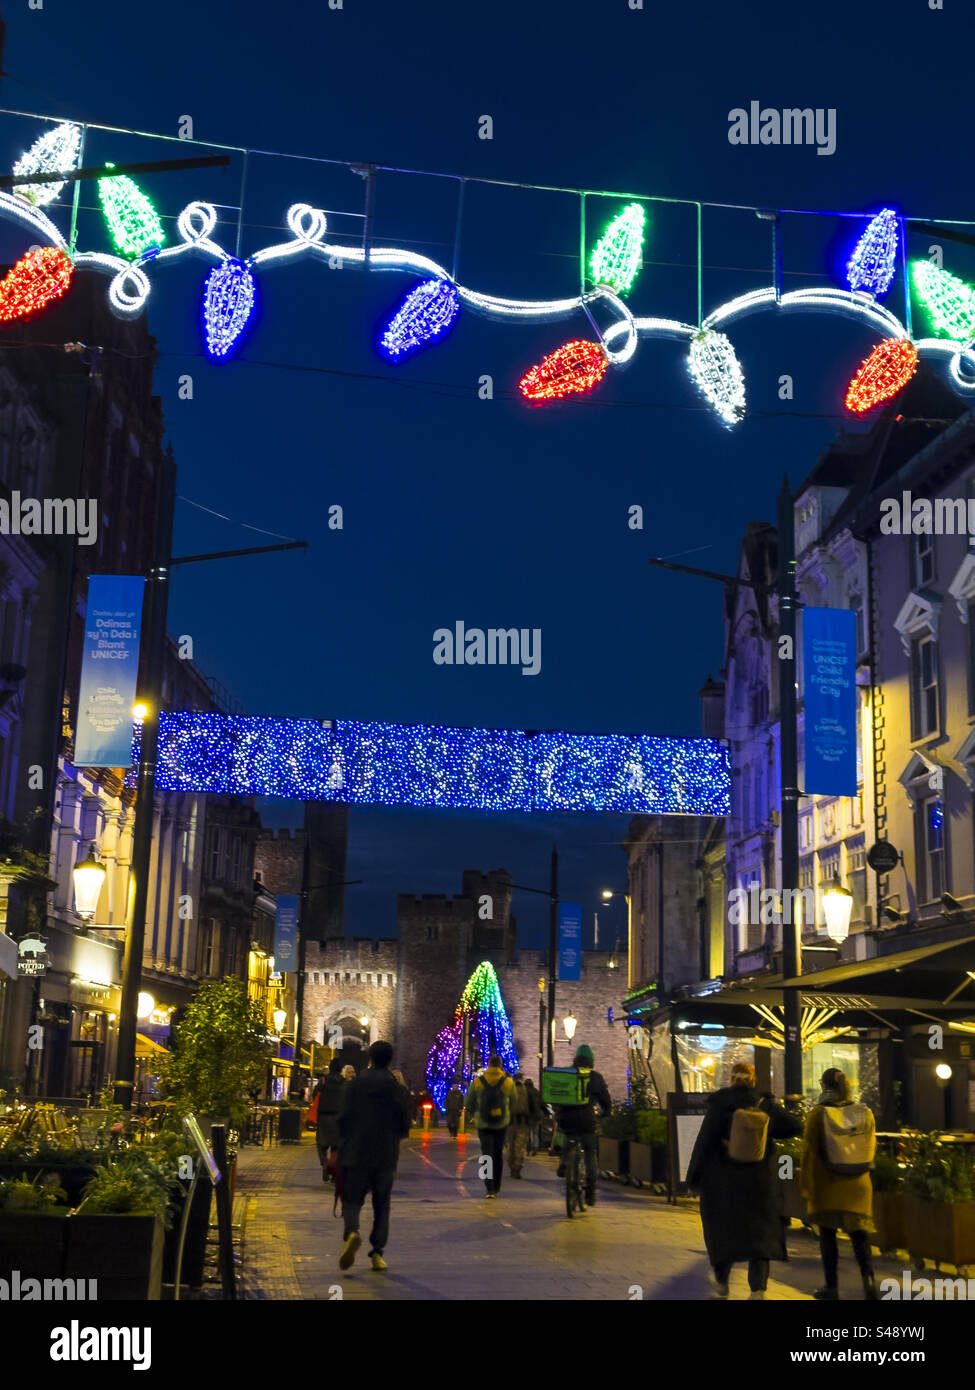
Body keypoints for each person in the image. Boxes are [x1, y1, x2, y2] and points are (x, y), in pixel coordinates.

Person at [686, 1061, 802, 1299]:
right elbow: (794, 1126)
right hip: (759, 1180)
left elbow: (704, 1142)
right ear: (753, 1079)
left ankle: (722, 1282)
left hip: (724, 1181)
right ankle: (758, 1289)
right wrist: (769, 1131)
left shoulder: (720, 1104)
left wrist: (693, 1178)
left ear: (731, 1079)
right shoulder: (765, 1104)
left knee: (723, 1230)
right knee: (760, 1233)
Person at [801, 1067, 878, 1301]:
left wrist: (806, 1186)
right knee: (860, 1236)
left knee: (827, 1236)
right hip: (858, 1184)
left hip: (829, 1184)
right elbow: (871, 1148)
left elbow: (808, 1153)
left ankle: (831, 1287)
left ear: (823, 1086)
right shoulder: (865, 1113)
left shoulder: (817, 1114)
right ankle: (869, 1283)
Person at [337, 1040, 412, 1272]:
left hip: (356, 1151)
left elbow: (343, 1118)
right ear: (389, 1060)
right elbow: (404, 1124)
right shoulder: (395, 1087)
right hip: (385, 1153)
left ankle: (351, 1233)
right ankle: (377, 1253)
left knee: (352, 1199)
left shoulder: (355, 1084)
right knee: (382, 1203)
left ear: (369, 1057)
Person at [555, 1044, 611, 1209]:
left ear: (575, 1060)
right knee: (590, 1152)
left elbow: (557, 1093)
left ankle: (565, 1161)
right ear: (591, 1062)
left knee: (567, 1138)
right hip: (587, 1122)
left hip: (567, 1119)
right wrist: (606, 1112)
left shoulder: (567, 1075)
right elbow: (605, 1100)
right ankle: (591, 1192)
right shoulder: (596, 1078)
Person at [465, 1055, 516, 1197]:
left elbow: (468, 1102)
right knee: (498, 1154)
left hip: (483, 1123)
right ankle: (497, 1185)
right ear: (500, 1065)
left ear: (488, 1064)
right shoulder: (508, 1082)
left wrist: (478, 1110)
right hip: (501, 1123)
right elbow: (514, 1100)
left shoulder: (478, 1082)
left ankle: (489, 1187)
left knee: (486, 1154)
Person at [315, 1060, 345, 1183]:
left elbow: (314, 1094)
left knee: (321, 1144)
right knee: (336, 1146)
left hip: (323, 1116)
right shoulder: (344, 1082)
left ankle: (325, 1164)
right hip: (338, 1117)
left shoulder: (324, 1080)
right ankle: (333, 1171)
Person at [507, 1073, 532, 1177]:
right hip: (523, 1122)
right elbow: (534, 1105)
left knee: (511, 1146)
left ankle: (512, 1166)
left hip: (510, 1122)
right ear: (522, 1079)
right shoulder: (527, 1090)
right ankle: (517, 1167)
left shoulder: (509, 1090)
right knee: (520, 1146)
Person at [524, 1077, 543, 1154]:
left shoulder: (526, 1093)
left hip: (529, 1115)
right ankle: (535, 1147)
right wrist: (547, 1112)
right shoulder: (537, 1092)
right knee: (535, 1133)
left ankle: (528, 1147)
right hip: (537, 1115)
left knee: (528, 1132)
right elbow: (542, 1104)